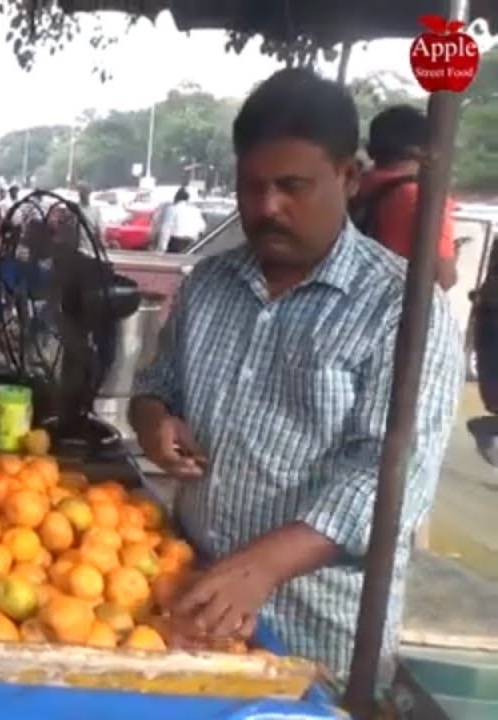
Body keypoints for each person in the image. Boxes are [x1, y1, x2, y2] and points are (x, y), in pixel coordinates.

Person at [129, 68, 463, 688]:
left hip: (318, 638)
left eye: (292, 186)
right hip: (188, 603)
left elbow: (390, 480)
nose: (267, 208)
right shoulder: (208, 286)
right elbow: (159, 384)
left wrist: (266, 565)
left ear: (349, 176)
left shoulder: (400, 308)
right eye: (250, 187)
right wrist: (154, 423)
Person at [353, 105, 458, 289]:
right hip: (396, 304)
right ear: (424, 151)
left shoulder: (354, 184)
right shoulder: (425, 200)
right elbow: (444, 278)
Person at [157, 187, 206, 253]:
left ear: (176, 198)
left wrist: (162, 246)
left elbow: (166, 228)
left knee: (173, 261)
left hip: (176, 242)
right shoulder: (195, 210)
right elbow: (202, 227)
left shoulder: (172, 209)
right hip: (191, 241)